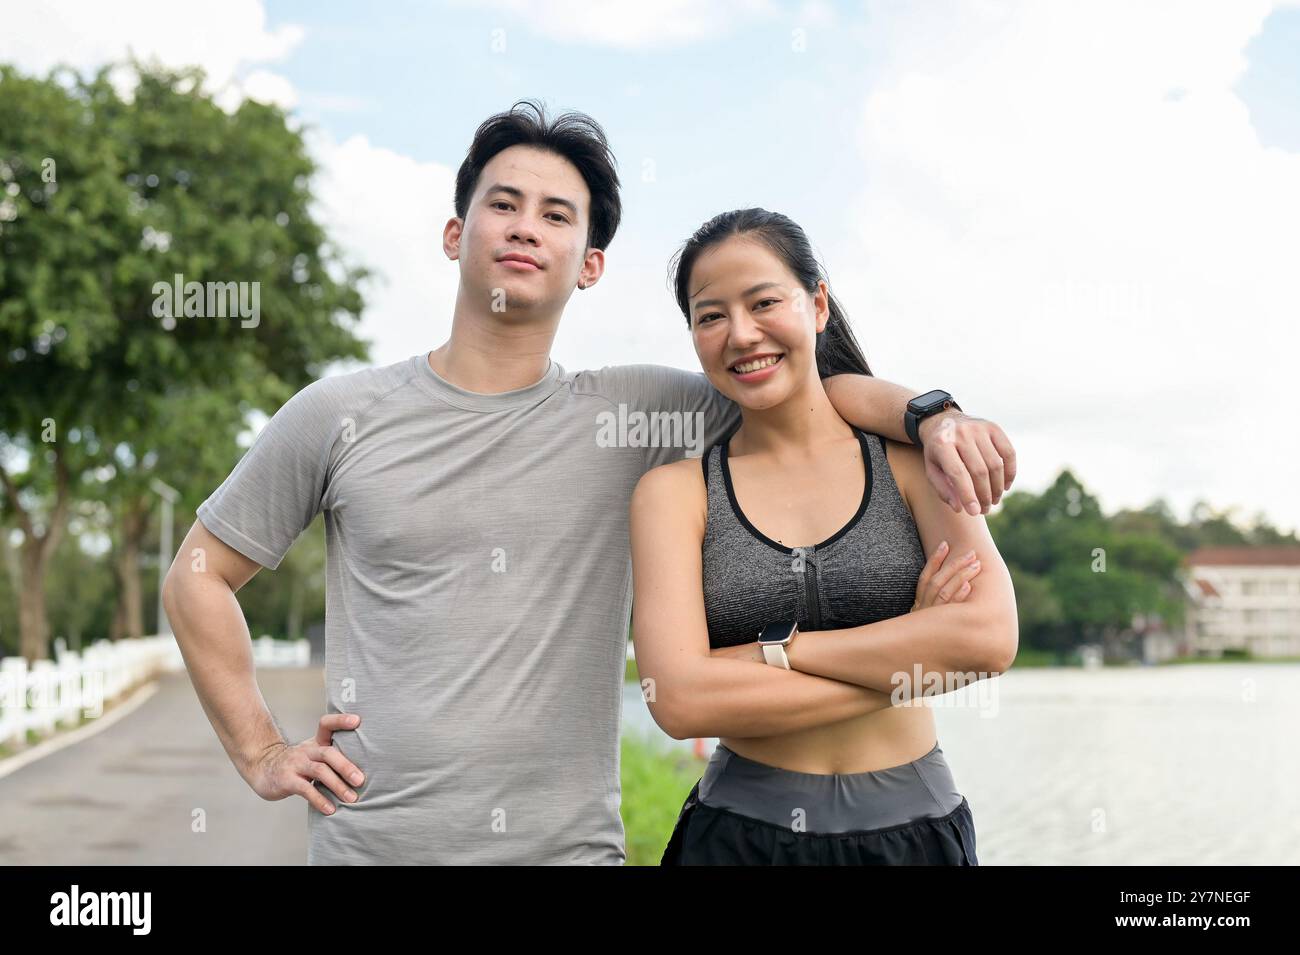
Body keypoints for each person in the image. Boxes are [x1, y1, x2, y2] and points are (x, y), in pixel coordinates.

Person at [162, 101, 1018, 865]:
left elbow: (799, 393)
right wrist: (263, 751)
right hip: (371, 844)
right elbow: (197, 580)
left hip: (569, 850)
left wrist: (931, 415)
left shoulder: (636, 414)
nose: (526, 226)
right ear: (457, 234)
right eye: (503, 204)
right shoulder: (339, 414)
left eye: (556, 214)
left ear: (591, 264)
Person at [629, 208, 1019, 865]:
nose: (742, 334)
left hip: (916, 836)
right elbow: (679, 698)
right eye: (711, 315)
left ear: (817, 304)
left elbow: (987, 638)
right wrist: (908, 658)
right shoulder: (675, 492)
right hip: (736, 838)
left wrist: (776, 651)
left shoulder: (913, 458)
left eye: (763, 301)